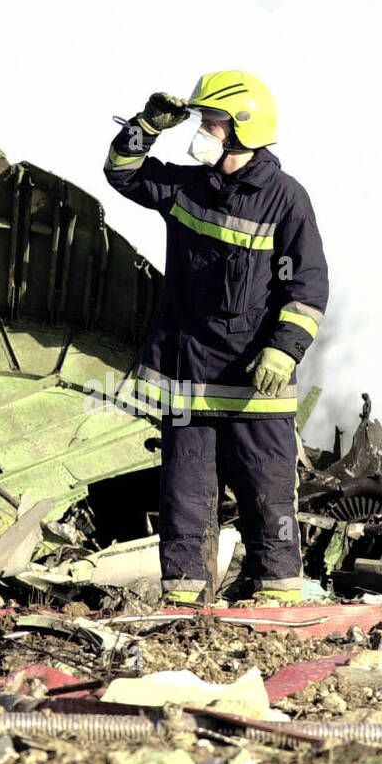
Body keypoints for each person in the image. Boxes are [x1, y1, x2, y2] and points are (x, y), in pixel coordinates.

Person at [104, 72, 328, 605]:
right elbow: (122, 173)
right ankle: (183, 604)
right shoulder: (187, 187)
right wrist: (145, 126)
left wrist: (283, 349)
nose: (200, 132)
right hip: (187, 376)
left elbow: (309, 285)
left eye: (211, 123)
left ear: (242, 132)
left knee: (267, 492)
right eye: (202, 122)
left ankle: (277, 596)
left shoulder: (285, 199)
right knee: (184, 495)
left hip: (256, 379)